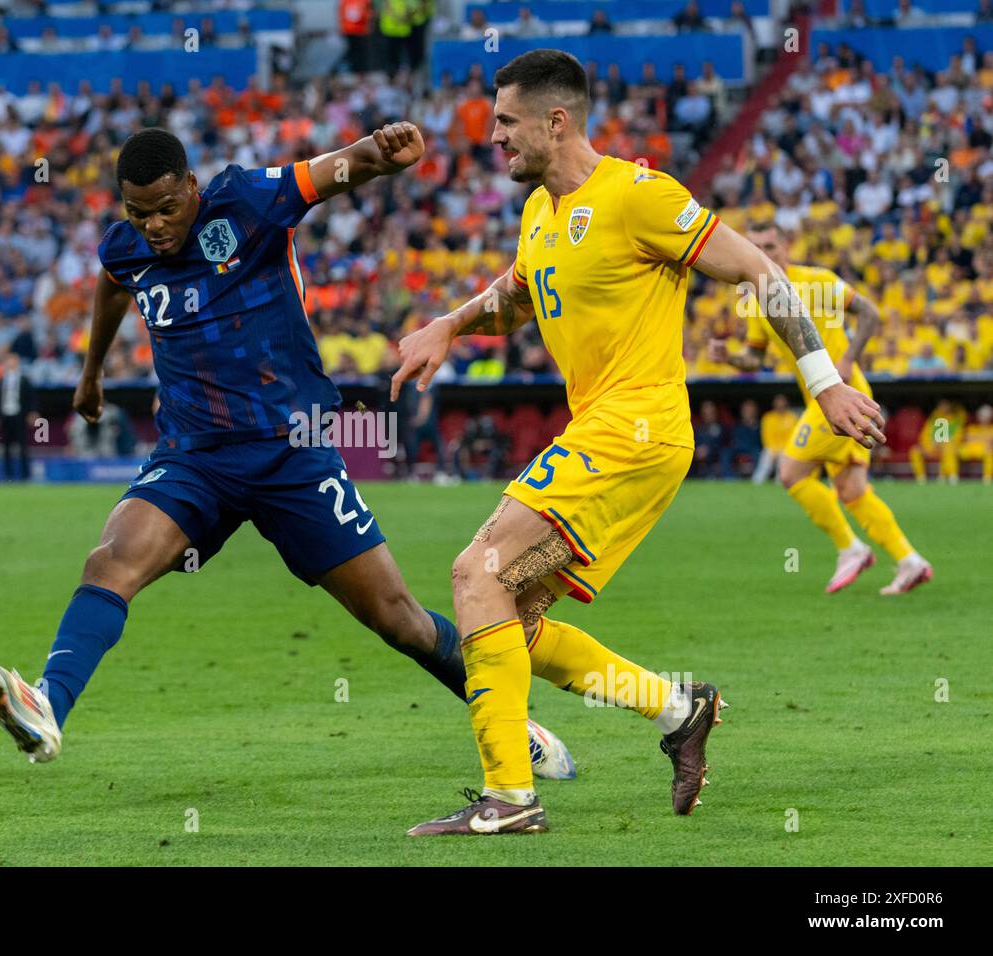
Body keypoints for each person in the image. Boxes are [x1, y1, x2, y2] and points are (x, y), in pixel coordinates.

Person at [0, 125, 571, 780]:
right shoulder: (126, 249)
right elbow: (114, 284)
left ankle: (516, 726)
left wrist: (379, 155)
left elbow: (331, 170)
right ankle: (46, 705)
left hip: (292, 452)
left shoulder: (247, 201)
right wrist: (91, 374)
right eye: (140, 214)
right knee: (109, 564)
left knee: (400, 621)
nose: (156, 226)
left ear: (192, 188)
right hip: (195, 457)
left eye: (167, 208)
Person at [391, 49, 882, 834]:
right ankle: (679, 708)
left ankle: (510, 800)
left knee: (473, 572)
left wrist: (822, 382)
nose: (493, 137)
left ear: (558, 121)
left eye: (507, 122)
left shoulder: (637, 194)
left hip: (634, 431)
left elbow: (761, 271)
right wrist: (449, 324)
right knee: (510, 613)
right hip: (609, 436)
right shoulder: (540, 212)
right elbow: (516, 295)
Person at [711, 223, 933, 596]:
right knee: (851, 490)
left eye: (771, 245)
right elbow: (755, 358)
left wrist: (847, 360)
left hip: (845, 392)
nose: (766, 252)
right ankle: (909, 561)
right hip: (822, 400)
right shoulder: (755, 299)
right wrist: (730, 357)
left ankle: (851, 549)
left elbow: (870, 313)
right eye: (757, 246)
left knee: (790, 472)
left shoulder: (815, 281)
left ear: (787, 245)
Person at [0, 352, 34, 480]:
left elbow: (31, 398)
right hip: (6, 415)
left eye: (13, 360)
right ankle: (8, 475)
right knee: (6, 447)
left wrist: (32, 412)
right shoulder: (2, 380)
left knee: (23, 446)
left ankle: (25, 475)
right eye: (9, 360)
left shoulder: (24, 380)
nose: (11, 363)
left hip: (19, 415)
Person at [755, 393, 796, 483]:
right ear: (774, 404)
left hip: (786, 448)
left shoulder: (792, 417)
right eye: (778, 402)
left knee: (783, 456)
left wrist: (782, 448)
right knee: (767, 455)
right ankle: (757, 481)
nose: (780, 404)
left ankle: (780, 482)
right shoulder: (768, 417)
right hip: (771, 448)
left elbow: (794, 436)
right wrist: (774, 449)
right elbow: (766, 436)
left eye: (782, 402)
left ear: (786, 403)